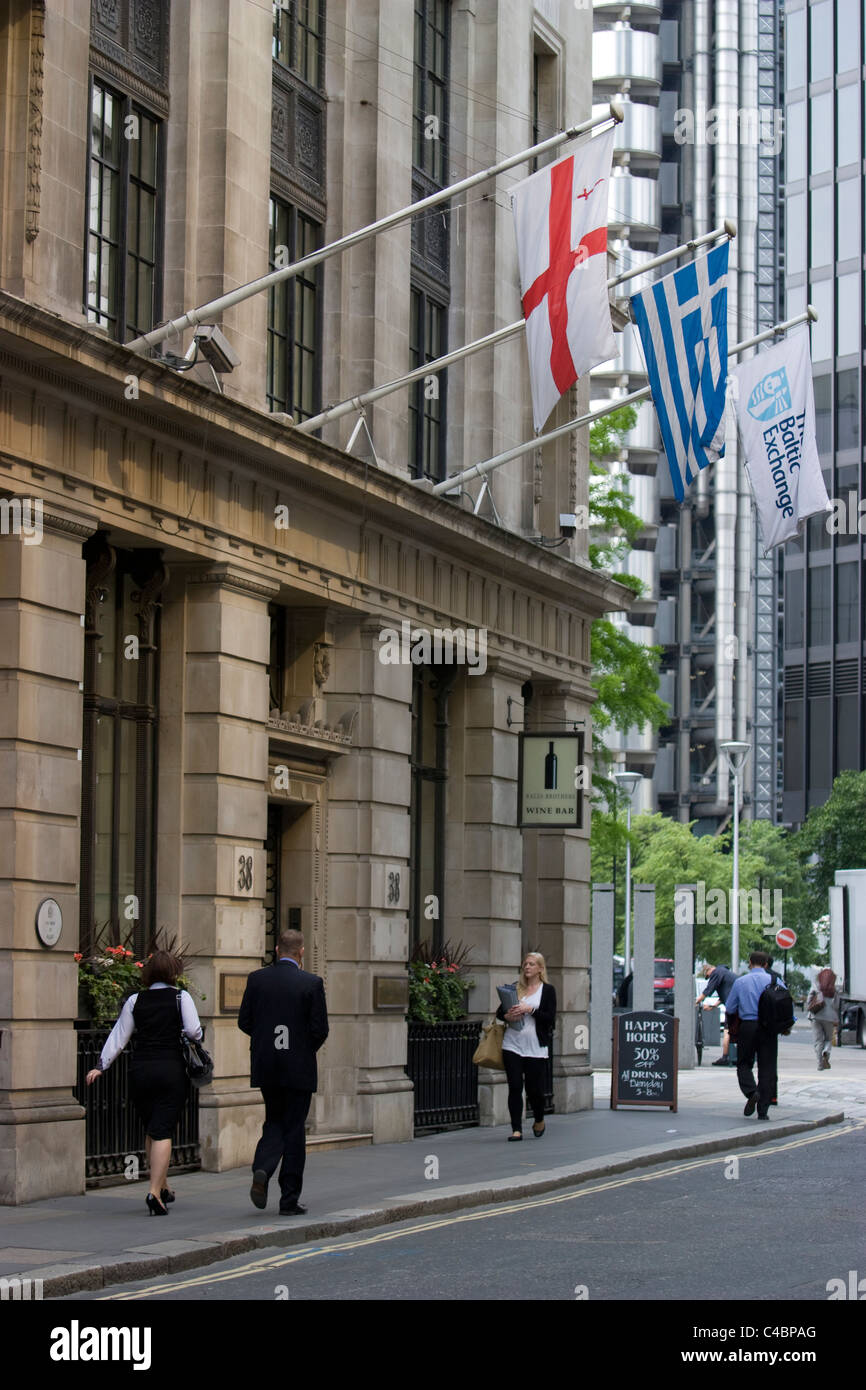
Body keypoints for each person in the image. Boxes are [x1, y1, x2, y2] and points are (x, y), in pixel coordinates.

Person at [85, 950, 203, 1216]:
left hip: (141, 1071)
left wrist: (100, 1066)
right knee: (163, 1130)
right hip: (170, 1070)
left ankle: (162, 1187)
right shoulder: (180, 997)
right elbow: (195, 1031)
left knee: (152, 1129)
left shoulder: (135, 1000)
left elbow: (119, 1036)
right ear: (174, 972)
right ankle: (153, 1192)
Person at [238, 927, 329, 1215]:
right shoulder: (311, 983)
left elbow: (244, 1021)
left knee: (274, 1120)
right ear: (301, 952)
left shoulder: (257, 979)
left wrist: (266, 1041)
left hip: (267, 1065)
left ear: (277, 950)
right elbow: (320, 1030)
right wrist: (302, 1049)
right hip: (298, 1068)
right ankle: (288, 1199)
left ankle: (262, 1168)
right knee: (294, 1130)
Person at [495, 952, 556, 1141]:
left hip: (535, 1047)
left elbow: (550, 1018)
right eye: (525, 964)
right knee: (514, 1087)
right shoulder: (515, 988)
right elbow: (499, 1013)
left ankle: (539, 1118)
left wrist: (530, 1009)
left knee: (534, 1090)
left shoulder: (547, 990)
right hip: (512, 1045)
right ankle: (516, 1129)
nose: (527, 967)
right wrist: (508, 1016)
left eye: (531, 964)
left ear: (540, 968)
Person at [722, 949, 779, 1121]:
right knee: (767, 1067)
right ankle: (763, 1110)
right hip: (769, 1028)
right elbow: (784, 1002)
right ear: (766, 964)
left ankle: (751, 1092)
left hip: (748, 1026)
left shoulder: (741, 981)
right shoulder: (774, 980)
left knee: (744, 1063)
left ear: (749, 962)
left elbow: (731, 1007)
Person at [696, 962, 737, 1066]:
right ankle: (733, 1056)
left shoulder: (717, 972)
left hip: (733, 1006)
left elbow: (708, 989)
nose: (709, 978)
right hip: (738, 1004)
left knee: (727, 1031)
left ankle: (725, 1057)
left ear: (709, 970)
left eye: (708, 976)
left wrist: (696, 1002)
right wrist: (713, 1006)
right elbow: (725, 995)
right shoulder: (725, 973)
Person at [807, 968, 840, 1070]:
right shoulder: (834, 990)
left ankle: (820, 1064)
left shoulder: (816, 986)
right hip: (829, 1018)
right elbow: (836, 1006)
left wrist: (810, 1007)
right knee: (828, 1039)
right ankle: (826, 1052)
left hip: (815, 1015)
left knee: (818, 1040)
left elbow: (809, 1000)